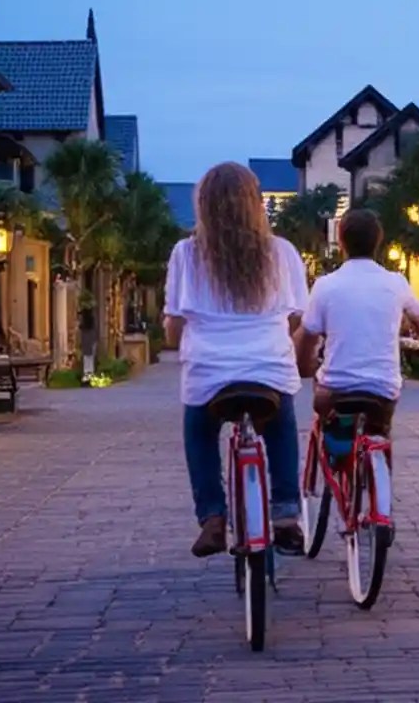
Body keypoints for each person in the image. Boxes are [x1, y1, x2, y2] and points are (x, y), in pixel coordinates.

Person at [163, 162, 307, 558]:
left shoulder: (185, 254)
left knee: (199, 431)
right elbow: (297, 318)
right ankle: (286, 515)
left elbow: (174, 325)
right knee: (281, 424)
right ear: (255, 204)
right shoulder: (283, 252)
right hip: (269, 369)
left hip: (209, 375)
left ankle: (212, 515)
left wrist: (178, 339)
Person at [296, 209, 419, 435]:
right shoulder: (396, 282)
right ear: (378, 242)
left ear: (341, 241)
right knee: (380, 431)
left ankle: (334, 453)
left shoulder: (325, 285)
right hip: (384, 388)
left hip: (336, 388)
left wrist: (304, 367)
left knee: (323, 404)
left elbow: (308, 336)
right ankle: (379, 458)